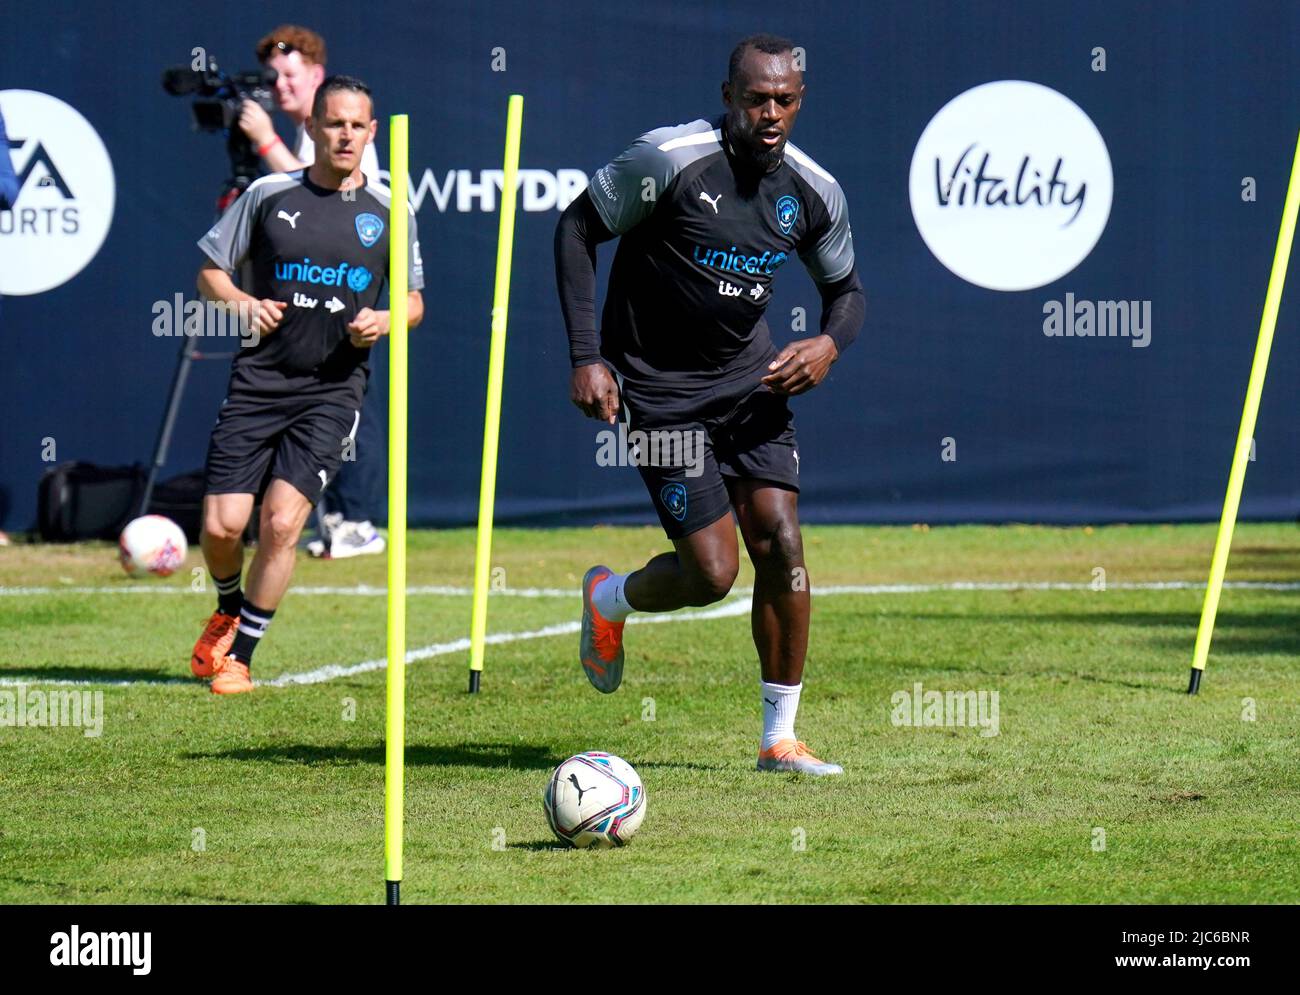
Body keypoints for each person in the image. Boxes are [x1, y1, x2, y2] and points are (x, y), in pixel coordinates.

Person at [553, 34, 865, 774]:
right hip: (658, 394)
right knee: (712, 573)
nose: (770, 113)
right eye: (756, 98)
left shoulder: (813, 193)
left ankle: (779, 739)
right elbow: (576, 228)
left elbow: (846, 293)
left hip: (751, 385)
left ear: (800, 101)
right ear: (728, 96)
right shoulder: (669, 160)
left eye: (784, 100)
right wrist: (584, 357)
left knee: (782, 542)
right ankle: (611, 598)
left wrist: (827, 345)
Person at [190, 75, 424, 694]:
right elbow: (210, 273)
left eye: (357, 125)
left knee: (283, 523)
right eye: (334, 123)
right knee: (220, 527)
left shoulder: (390, 209)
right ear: (315, 129)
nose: (345, 134)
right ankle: (226, 604)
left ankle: (240, 655)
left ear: (371, 134)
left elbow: (413, 301)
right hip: (259, 382)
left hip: (332, 390)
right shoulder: (268, 193)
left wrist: (384, 318)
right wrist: (242, 304)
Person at [238, 24, 387, 557]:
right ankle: (328, 519)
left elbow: (327, 191)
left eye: (289, 75)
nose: (278, 87)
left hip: (348, 288)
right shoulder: (310, 130)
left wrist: (265, 141)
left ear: (317, 76)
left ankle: (358, 521)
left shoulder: (338, 133)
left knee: (352, 407)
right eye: (272, 78)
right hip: (301, 295)